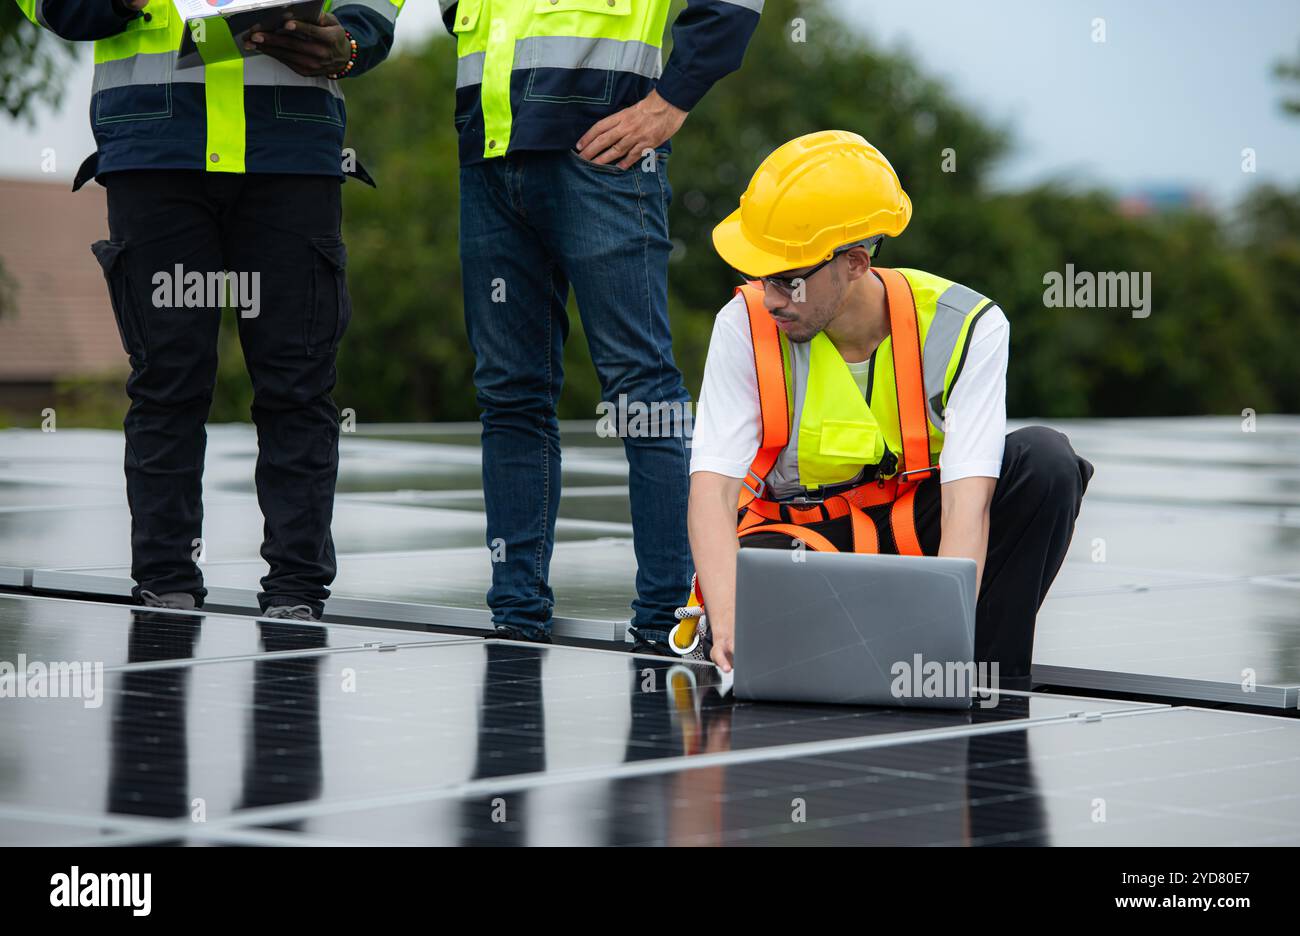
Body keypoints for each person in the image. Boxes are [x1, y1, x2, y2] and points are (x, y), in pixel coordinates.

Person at [18, 0, 404, 621]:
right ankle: (165, 581)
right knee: (169, 379)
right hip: (158, 149)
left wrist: (354, 40)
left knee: (298, 383)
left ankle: (297, 591)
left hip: (289, 148)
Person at [677, 130, 1093, 691]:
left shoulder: (965, 326)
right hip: (803, 541)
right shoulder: (744, 325)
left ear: (852, 262)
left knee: (1045, 461)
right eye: (761, 275)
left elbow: (968, 509)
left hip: (920, 533)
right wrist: (725, 616)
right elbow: (713, 492)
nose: (770, 297)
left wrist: (944, 645)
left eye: (787, 279)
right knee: (773, 637)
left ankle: (988, 678)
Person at [440, 0, 762, 651]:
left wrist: (672, 99)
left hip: (603, 151)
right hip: (489, 148)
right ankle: (516, 613)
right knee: (508, 392)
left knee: (642, 392)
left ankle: (670, 620)